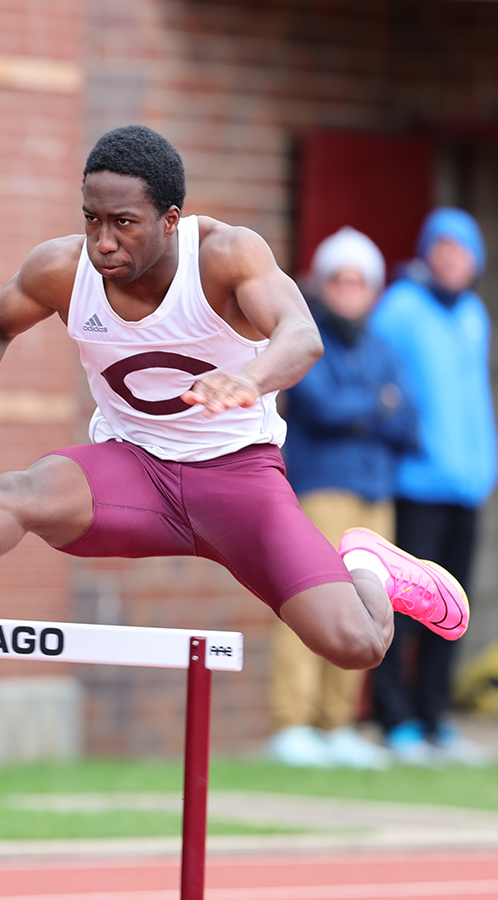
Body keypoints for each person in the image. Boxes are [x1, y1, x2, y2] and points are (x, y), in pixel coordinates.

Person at [0, 126, 466, 684]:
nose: (103, 242)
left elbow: (302, 334)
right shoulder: (61, 269)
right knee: (24, 491)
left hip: (238, 481)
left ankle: (367, 564)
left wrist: (252, 379)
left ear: (171, 219)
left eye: (123, 223)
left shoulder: (226, 257)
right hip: (134, 470)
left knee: (358, 644)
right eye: (91, 219)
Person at [271, 227, 418, 769]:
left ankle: (338, 723)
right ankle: (293, 722)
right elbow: (321, 407)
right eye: (340, 280)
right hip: (321, 489)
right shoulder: (307, 336)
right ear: (323, 284)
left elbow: (409, 421)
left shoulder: (384, 347)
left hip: (375, 494)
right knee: (307, 601)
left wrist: (370, 410)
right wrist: (377, 405)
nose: (350, 290)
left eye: (360, 282)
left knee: (369, 609)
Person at [369, 207, 496, 766]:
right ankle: (395, 719)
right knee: (404, 607)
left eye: (461, 250)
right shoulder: (399, 308)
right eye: (442, 248)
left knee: (452, 607)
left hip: (466, 485)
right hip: (416, 481)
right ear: (427, 253)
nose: (452, 259)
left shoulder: (473, 313)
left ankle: (435, 715)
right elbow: (377, 379)